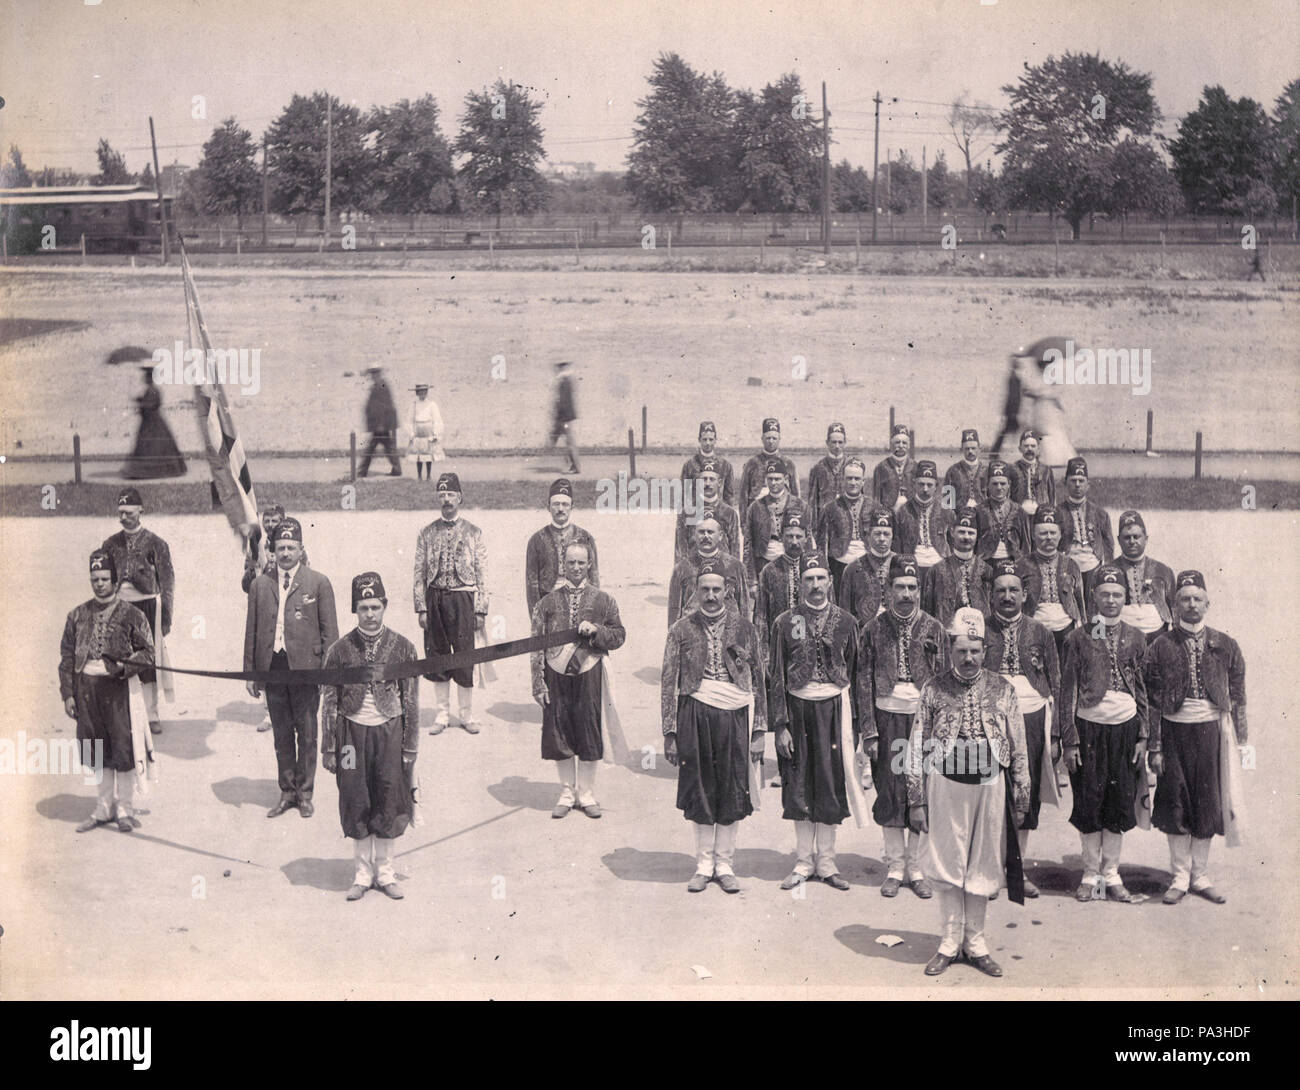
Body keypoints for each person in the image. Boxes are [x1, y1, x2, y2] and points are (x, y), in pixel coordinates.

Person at [908, 607, 1030, 977]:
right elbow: (916, 743)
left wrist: (1021, 795)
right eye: (961, 650)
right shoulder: (933, 689)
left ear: (985, 649)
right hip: (945, 783)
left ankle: (975, 943)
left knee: (983, 863)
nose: (968, 658)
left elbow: (1019, 743)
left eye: (974, 650)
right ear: (950, 650)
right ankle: (948, 942)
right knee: (947, 863)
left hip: (990, 785)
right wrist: (916, 798)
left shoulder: (1003, 689)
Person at [662, 561, 767, 893]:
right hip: (695, 711)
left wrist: (759, 730)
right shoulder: (681, 629)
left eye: (716, 589)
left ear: (728, 591)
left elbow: (760, 681)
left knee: (732, 788)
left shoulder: (746, 629)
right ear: (696, 591)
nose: (710, 596)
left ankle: (725, 864)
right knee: (701, 788)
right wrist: (670, 733)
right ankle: (703, 864)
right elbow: (668, 683)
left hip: (735, 714)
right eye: (704, 589)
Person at [1145, 571, 1248, 905]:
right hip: (1174, 730)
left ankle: (1200, 875)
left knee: (1206, 803)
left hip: (1211, 730)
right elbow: (1152, 699)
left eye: (1197, 599)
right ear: (1175, 605)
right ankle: (1178, 876)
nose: (1191, 605)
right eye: (1184, 599)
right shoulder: (1161, 645)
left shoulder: (1225, 644)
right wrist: (1155, 746)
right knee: (1175, 801)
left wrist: (1244, 744)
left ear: (1207, 603)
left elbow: (1238, 695)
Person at [320, 573, 420, 901]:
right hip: (350, 734)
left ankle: (386, 872)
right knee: (355, 797)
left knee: (389, 797)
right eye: (363, 608)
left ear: (385, 606)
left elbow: (411, 700)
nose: (370, 614)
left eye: (375, 607)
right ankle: (362, 875)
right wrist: (330, 748)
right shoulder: (339, 650)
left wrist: (410, 745)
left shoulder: (404, 648)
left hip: (389, 731)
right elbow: (329, 701)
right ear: (355, 610)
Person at [769, 553, 866, 892]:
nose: (814, 585)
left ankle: (826, 862)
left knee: (828, 782)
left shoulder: (847, 622)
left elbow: (856, 674)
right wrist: (779, 725)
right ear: (801, 583)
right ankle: (802, 860)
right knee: (798, 783)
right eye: (809, 579)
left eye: (820, 579)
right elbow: (776, 675)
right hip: (798, 707)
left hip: (834, 707)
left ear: (830, 582)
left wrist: (858, 727)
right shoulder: (785, 622)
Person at [1059, 564, 1150, 902]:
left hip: (1124, 730)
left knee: (1119, 802)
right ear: (1094, 596)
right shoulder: (1078, 638)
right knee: (1089, 801)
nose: (1111, 600)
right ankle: (1089, 874)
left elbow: (1143, 691)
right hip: (1090, 729)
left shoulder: (1137, 637)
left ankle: (1111, 874)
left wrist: (1143, 736)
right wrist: (1069, 739)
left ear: (1126, 597)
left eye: (1117, 594)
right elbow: (1066, 692)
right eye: (1104, 594)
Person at [860, 555, 949, 898]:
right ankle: (895, 866)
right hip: (888, 716)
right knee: (891, 789)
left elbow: (944, 683)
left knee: (922, 789)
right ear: (888, 589)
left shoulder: (934, 628)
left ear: (920, 591)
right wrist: (869, 731)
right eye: (900, 587)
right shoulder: (873, 629)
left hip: (922, 718)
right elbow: (863, 682)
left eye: (912, 587)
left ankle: (917, 866)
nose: (906, 594)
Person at [244, 518, 339, 818]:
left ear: (301, 548)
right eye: (280, 548)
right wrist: (251, 673)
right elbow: (252, 630)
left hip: (306, 669)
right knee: (281, 733)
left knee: (308, 732)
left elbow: (330, 634)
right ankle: (287, 791)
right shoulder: (261, 585)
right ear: (272, 550)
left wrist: (328, 673)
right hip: (273, 666)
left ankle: (305, 792)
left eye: (291, 547)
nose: (285, 553)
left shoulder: (318, 582)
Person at [61, 550, 155, 833]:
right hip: (86, 689)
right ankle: (103, 808)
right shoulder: (76, 615)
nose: (99, 584)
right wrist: (68, 694)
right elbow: (66, 656)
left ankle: (124, 808)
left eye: (104, 579)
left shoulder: (132, 614)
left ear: (114, 580)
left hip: (119, 689)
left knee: (122, 750)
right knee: (95, 748)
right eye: (95, 579)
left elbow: (149, 653)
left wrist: (123, 666)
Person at [531, 543, 626, 820]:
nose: (576, 568)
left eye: (581, 563)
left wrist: (597, 631)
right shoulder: (545, 603)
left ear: (589, 565)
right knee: (559, 732)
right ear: (563, 565)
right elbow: (536, 646)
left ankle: (586, 794)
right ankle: (566, 793)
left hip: (589, 671)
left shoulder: (604, 600)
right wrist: (538, 682)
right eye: (571, 562)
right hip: (555, 673)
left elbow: (619, 635)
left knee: (588, 731)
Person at [984, 560, 1061, 897]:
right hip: (990, 717)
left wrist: (1056, 734)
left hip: (1031, 714)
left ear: (1025, 594)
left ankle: (1017, 869)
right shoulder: (980, 629)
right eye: (1000, 590)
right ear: (990, 594)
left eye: (1014, 589)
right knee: (990, 790)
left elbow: (1056, 682)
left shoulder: (1040, 631)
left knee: (1023, 791)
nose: (1007, 596)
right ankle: (989, 870)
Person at [414, 472, 488, 734]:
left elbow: (482, 573)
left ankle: (466, 715)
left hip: (463, 598)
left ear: (460, 498)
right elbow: (419, 571)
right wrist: (421, 606)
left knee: (466, 657)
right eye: (442, 495)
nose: (446, 500)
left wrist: (481, 608)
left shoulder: (474, 532)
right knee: (438, 656)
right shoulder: (426, 532)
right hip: (435, 598)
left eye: (451, 495)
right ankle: (442, 715)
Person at [101, 487, 173, 735]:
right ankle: (124, 714)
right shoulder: (110, 544)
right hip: (120, 606)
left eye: (129, 512)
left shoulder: (156, 543)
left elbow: (167, 582)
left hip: (148, 606)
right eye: (120, 513)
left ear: (141, 510)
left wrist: (166, 618)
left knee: (148, 660)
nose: (124, 518)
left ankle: (152, 714)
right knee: (120, 656)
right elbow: (105, 581)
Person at [525, 478, 599, 616]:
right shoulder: (536, 540)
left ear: (572, 507)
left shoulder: (585, 537)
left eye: (565, 504)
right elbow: (532, 585)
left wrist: (593, 613)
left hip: (580, 603)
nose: (560, 509)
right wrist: (535, 617)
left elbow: (594, 578)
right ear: (548, 507)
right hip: (548, 604)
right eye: (556, 504)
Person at [743, 458, 812, 594]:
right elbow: (748, 544)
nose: (773, 483)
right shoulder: (755, 507)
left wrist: (808, 571)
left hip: (793, 561)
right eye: (770, 479)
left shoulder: (800, 505)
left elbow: (808, 541)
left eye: (777, 479)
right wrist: (751, 580)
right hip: (764, 560)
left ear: (785, 479)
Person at [667, 515, 749, 625]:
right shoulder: (682, 568)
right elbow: (674, 610)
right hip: (693, 630)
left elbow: (744, 607)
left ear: (720, 536)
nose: (706, 536)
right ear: (694, 536)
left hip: (727, 632)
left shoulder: (736, 566)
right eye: (701, 532)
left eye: (710, 532)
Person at [1013, 338, 1078, 469]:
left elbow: (1048, 391)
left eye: (1043, 365)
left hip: (1046, 408)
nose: (1042, 368)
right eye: (1042, 366)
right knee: (1044, 430)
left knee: (1049, 430)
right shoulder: (1042, 377)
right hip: (1042, 408)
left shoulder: (1051, 377)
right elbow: (1035, 390)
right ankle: (1045, 457)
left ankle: (1053, 458)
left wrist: (1035, 392)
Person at [1114, 510, 1176, 642]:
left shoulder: (1163, 571)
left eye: (1136, 537)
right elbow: (1096, 616)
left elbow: (1176, 612)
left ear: (1146, 539)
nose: (1132, 541)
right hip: (1121, 639)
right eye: (1127, 537)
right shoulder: (1107, 571)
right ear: (1119, 540)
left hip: (1158, 637)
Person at [922, 510, 992, 628]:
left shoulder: (987, 570)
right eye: (961, 532)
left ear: (977, 536)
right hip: (948, 633)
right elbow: (926, 611)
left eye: (971, 533)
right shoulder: (936, 571)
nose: (966, 537)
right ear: (952, 532)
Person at [755, 511, 808, 662]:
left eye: (799, 537)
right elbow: (761, 615)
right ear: (781, 538)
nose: (794, 541)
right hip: (778, 643)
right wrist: (764, 655)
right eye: (789, 536)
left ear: (806, 538)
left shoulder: (816, 569)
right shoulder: (769, 571)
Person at [816, 456, 873, 595]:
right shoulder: (829, 508)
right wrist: (824, 570)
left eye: (857, 479)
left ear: (863, 481)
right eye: (849, 478)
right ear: (842, 480)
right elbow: (822, 543)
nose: (853, 482)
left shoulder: (874, 507)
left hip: (867, 564)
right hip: (839, 564)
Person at [122, 365, 186, 479]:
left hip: (152, 422)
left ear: (150, 378)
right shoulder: (151, 390)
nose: (144, 379)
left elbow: (152, 404)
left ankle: (149, 472)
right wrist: (139, 400)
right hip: (151, 421)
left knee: (152, 446)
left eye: (146, 377)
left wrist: (142, 405)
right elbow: (148, 402)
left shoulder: (152, 390)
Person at [1058, 457, 1114, 588]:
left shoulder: (1100, 513)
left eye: (1081, 481)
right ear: (1065, 483)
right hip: (1068, 564)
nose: (1077, 485)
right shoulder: (1058, 512)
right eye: (1073, 481)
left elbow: (1108, 543)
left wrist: (1107, 566)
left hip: (1092, 564)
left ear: (1088, 485)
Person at [673, 460, 740, 562]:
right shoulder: (687, 512)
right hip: (695, 568)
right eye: (704, 479)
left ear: (720, 482)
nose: (707, 483)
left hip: (721, 570)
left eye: (712, 479)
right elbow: (680, 550)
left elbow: (734, 550)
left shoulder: (729, 513)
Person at [838, 508, 896, 625]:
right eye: (877, 534)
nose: (882, 539)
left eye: (886, 534)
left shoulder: (902, 565)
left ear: (892, 536)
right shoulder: (852, 569)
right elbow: (845, 612)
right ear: (868, 536)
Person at [892, 459, 953, 571]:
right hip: (912, 563)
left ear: (936, 486)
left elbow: (952, 540)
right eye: (921, 484)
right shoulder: (903, 510)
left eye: (929, 485)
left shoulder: (946, 511)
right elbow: (896, 542)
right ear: (914, 484)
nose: (925, 489)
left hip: (939, 562)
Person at [739, 418, 801, 510]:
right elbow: (743, 495)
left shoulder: (788, 464)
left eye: (774, 438)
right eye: (768, 438)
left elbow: (796, 495)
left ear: (779, 439)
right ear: (762, 439)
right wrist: (744, 523)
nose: (771, 441)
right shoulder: (751, 463)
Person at [975, 461, 1031, 562]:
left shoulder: (1019, 511)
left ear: (1009, 484)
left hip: (1013, 562)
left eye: (1003, 483)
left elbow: (1026, 546)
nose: (999, 487)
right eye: (995, 484)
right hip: (985, 563)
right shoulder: (977, 511)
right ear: (988, 485)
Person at [358, 366, 402, 478]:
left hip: (381, 425)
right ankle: (397, 469)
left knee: (372, 447)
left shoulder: (382, 385)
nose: (372, 376)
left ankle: (362, 472)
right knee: (388, 447)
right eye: (372, 374)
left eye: (374, 374)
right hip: (379, 424)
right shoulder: (378, 385)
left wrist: (381, 424)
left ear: (378, 374)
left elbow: (384, 406)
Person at [681, 420, 737, 508]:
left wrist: (728, 518)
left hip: (718, 515)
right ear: (699, 440)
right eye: (704, 439)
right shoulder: (689, 465)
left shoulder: (725, 466)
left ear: (715, 440)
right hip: (696, 515)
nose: (708, 443)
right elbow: (684, 496)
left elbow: (729, 497)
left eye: (711, 439)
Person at [807, 422, 851, 530]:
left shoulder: (852, 466)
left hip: (847, 521)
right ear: (827, 443)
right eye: (834, 442)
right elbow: (812, 502)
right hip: (825, 523)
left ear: (845, 442)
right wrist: (812, 529)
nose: (837, 446)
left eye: (840, 442)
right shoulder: (818, 468)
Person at [1009, 429, 1055, 516]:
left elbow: (1052, 496)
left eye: (1033, 446)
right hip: (1019, 516)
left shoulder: (1046, 470)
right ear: (1020, 448)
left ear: (1038, 449)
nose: (1029, 449)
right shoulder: (1012, 469)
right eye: (1026, 446)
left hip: (1042, 515)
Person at [873, 424, 918, 512]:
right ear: (891, 444)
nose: (901, 446)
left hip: (912, 513)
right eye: (897, 442)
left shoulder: (915, 466)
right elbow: (876, 497)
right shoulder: (881, 467)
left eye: (904, 443)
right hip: (888, 513)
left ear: (908, 445)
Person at [943, 428, 988, 511]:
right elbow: (946, 502)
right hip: (959, 516)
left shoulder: (987, 471)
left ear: (979, 448)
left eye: (973, 448)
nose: (970, 451)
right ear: (961, 450)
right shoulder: (953, 471)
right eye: (967, 448)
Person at [407, 382, 445, 481]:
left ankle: (428, 475)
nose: (422, 394)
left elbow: (437, 419)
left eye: (424, 391)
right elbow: (409, 420)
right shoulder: (414, 405)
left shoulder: (432, 404)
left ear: (427, 392)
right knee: (418, 455)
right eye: (420, 392)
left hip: (428, 431)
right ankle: (419, 476)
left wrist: (436, 433)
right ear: (417, 393)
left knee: (428, 455)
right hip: (418, 432)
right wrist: (411, 433)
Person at [550, 361, 581, 474]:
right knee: (568, 441)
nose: (556, 370)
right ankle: (571, 464)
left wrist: (560, 417)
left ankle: (575, 466)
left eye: (558, 368)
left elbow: (563, 401)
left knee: (570, 442)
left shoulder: (563, 381)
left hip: (564, 417)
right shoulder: (566, 380)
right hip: (565, 416)